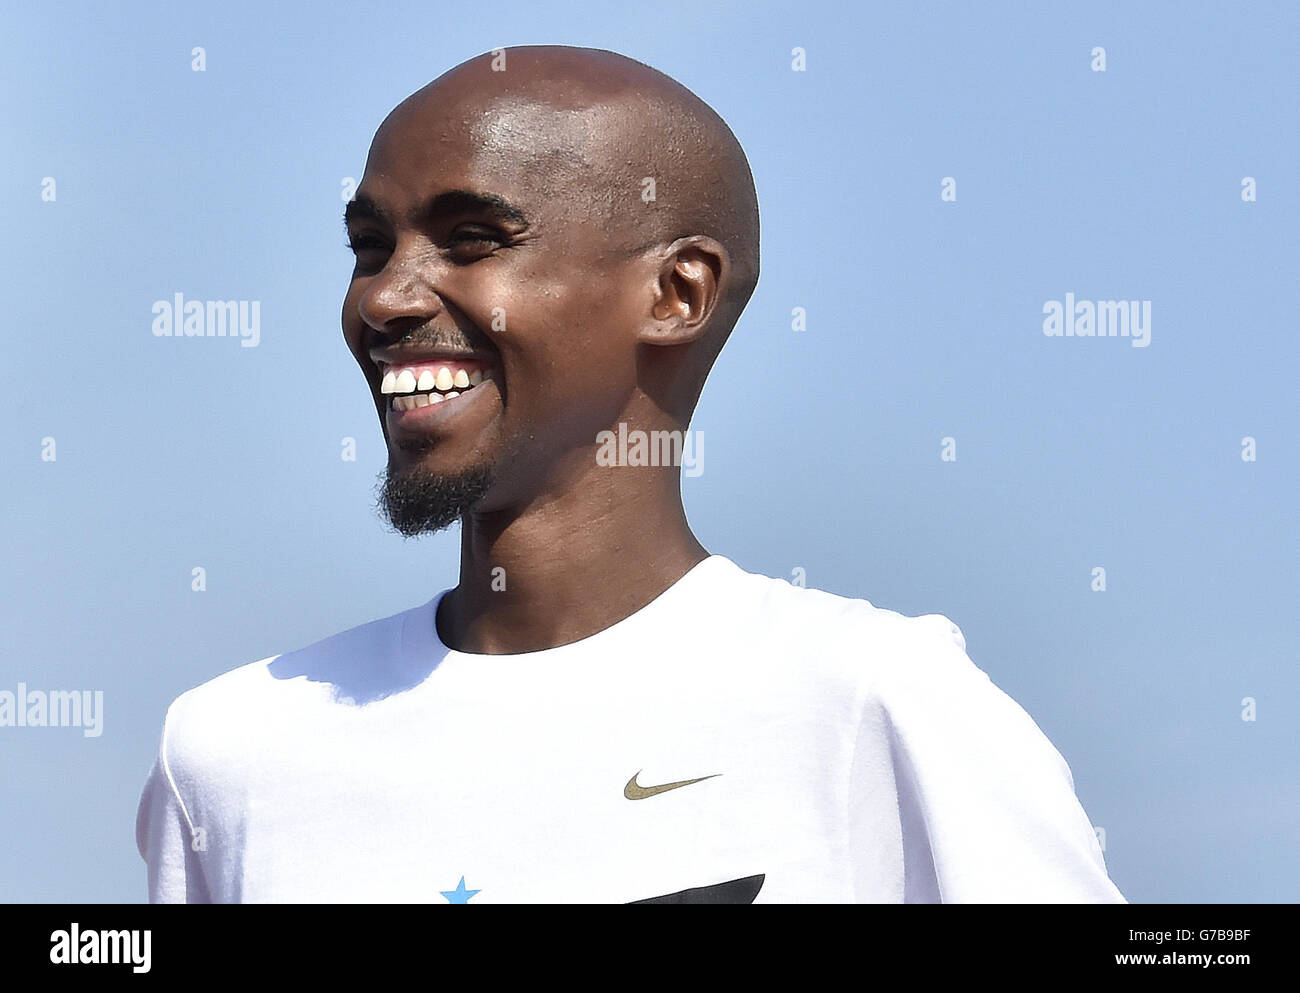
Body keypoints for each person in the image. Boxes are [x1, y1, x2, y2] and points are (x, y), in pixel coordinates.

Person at [136, 44, 1125, 903]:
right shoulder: (234, 751)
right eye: (368, 246)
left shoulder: (872, 700)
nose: (386, 296)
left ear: (675, 293)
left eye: (472, 238)